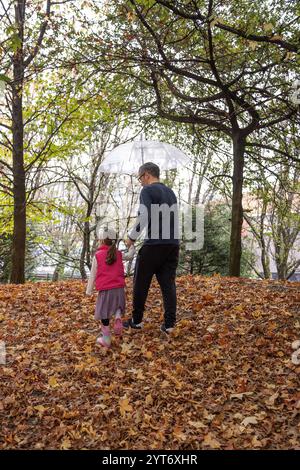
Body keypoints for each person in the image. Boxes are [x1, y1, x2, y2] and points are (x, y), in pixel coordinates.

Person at [124, 162, 180, 335]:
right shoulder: (171, 193)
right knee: (168, 284)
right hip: (173, 244)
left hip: (155, 244)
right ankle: (169, 324)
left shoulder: (147, 191)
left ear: (147, 175)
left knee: (140, 282)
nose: (140, 182)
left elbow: (145, 215)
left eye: (140, 178)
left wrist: (132, 237)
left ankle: (137, 321)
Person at [86, 227, 135, 348]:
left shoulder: (98, 255)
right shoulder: (118, 254)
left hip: (105, 289)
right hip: (119, 289)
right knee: (117, 306)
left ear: (101, 240)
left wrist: (89, 290)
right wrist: (132, 246)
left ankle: (106, 339)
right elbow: (130, 256)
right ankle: (118, 317)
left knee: (104, 313)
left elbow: (93, 274)